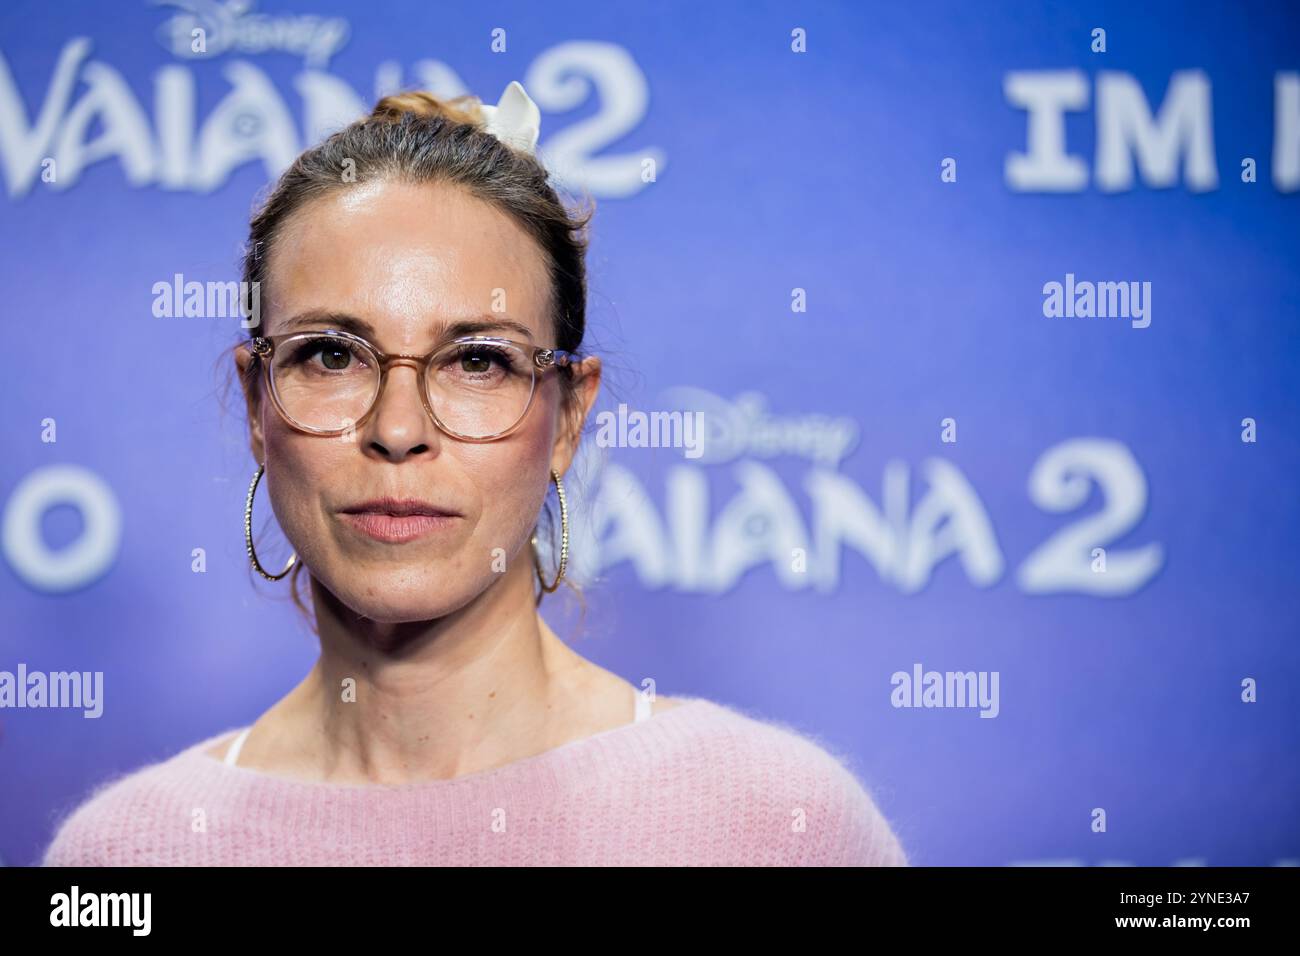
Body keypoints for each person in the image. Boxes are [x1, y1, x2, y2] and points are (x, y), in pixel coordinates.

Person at [41, 81, 908, 866]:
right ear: (256, 404)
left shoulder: (777, 825)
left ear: (568, 414)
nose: (397, 430)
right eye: (332, 353)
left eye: (478, 362)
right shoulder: (127, 855)